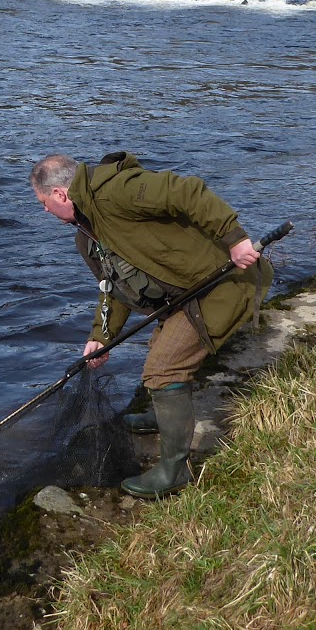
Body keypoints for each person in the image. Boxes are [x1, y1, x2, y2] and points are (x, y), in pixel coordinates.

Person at [29, 151, 272, 500]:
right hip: (181, 295)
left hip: (224, 285)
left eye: (43, 203)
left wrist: (235, 239)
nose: (45, 212)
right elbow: (111, 289)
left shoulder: (118, 191)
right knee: (156, 354)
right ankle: (164, 417)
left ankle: (174, 471)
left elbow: (187, 191)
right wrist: (101, 338)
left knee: (164, 370)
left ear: (59, 195)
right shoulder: (86, 235)